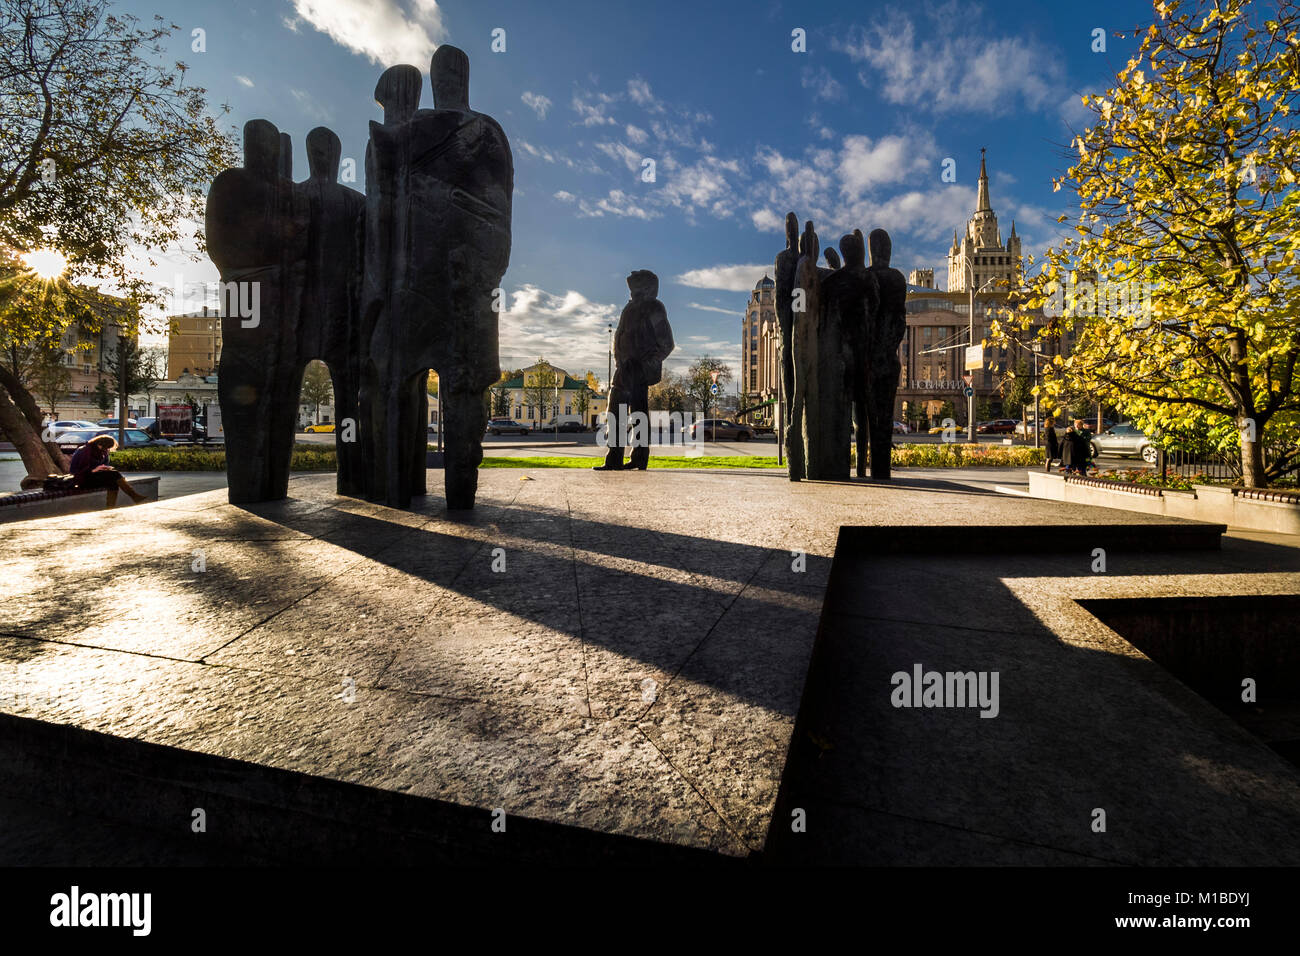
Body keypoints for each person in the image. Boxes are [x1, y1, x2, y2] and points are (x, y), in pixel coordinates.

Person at [68, 435, 148, 506]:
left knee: (113, 481)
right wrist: (94, 470)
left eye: (108, 448)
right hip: (83, 479)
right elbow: (74, 471)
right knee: (115, 475)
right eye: (105, 447)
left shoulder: (103, 452)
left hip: (96, 477)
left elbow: (105, 464)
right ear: (99, 444)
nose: (106, 450)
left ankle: (111, 507)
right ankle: (135, 496)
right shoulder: (84, 451)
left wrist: (106, 468)